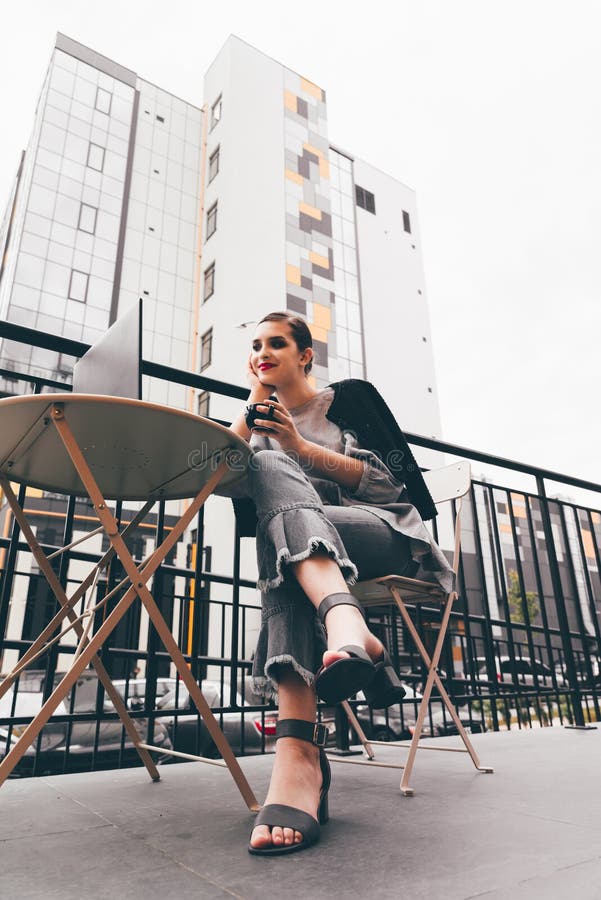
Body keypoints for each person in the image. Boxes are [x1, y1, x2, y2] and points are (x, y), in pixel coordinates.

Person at [224, 311, 454, 856]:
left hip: (383, 534)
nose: (264, 351)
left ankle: (299, 753)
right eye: (255, 346)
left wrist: (301, 449)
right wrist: (252, 420)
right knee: (266, 480)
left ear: (305, 354)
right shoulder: (258, 424)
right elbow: (217, 480)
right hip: (312, 560)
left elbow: (399, 487)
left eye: (277, 343)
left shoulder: (350, 399)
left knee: (275, 493)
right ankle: (345, 625)